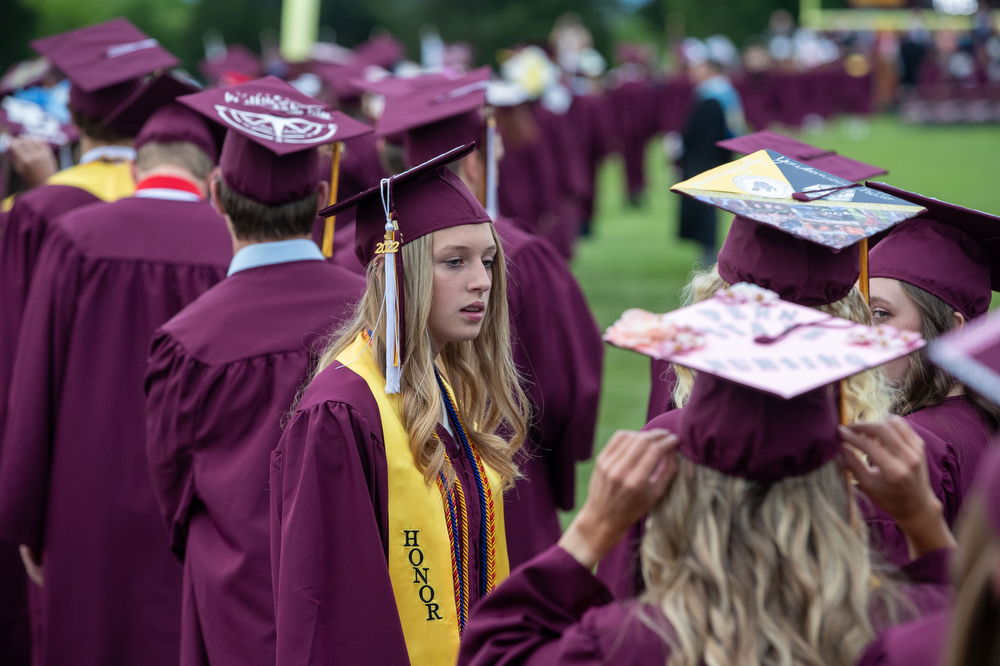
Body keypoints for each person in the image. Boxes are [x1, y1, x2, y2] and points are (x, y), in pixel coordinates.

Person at [458, 364, 957, 666]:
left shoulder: (628, 643)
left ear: (683, 492)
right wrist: (927, 527)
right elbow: (972, 616)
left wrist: (592, 530)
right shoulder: (906, 632)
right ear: (837, 487)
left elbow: (496, 652)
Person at [270, 144, 529, 665]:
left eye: (487, 260)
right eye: (454, 262)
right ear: (397, 273)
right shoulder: (341, 410)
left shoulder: (441, 389)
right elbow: (329, 610)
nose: (481, 280)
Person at [143, 77, 369, 666]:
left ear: (215, 193)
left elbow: (174, 492)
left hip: (238, 594)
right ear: (322, 195)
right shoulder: (376, 317)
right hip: (365, 586)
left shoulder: (189, 340)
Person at [0, 100, 231, 666]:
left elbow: (34, 385)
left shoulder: (77, 237)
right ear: (212, 178)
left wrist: (27, 515)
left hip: (85, 501)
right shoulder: (231, 248)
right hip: (202, 506)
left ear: (136, 167)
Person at [373, 74, 603, 567]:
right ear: (474, 162)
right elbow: (565, 395)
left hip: (401, 518)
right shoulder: (520, 255)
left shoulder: (374, 259)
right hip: (507, 496)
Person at [0, 19, 179, 426]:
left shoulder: (30, 210)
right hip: (159, 415)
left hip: (63, 412)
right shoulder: (187, 206)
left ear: (73, 115)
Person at [866, 182, 1000, 548]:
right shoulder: (986, 423)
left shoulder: (912, 446)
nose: (861, 335)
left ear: (952, 331)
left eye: (881, 314)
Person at [676, 56, 745, 266]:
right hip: (718, 153)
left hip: (706, 154)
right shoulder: (726, 92)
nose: (693, 72)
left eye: (698, 67)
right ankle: (708, 248)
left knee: (705, 202)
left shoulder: (712, 95)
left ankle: (708, 249)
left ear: (710, 70)